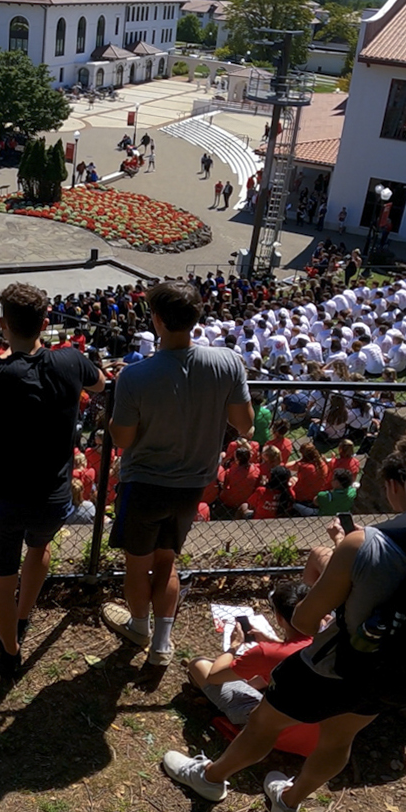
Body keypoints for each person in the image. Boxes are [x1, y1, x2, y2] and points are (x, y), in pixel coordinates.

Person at [162, 422, 406, 812]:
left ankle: (211, 779)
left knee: (262, 725)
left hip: (334, 666)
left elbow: (305, 620)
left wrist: (340, 561)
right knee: (340, 738)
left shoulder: (365, 545)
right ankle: (288, 801)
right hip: (398, 672)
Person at [0, 282, 105, 677]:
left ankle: (9, 650)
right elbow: (100, 383)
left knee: (2, 580)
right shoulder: (71, 360)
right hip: (52, 494)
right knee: (39, 550)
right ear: (44, 323)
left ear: (3, 324)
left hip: (4, 497)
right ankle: (23, 619)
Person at [103, 281, 253, 666]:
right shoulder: (229, 362)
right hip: (193, 484)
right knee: (167, 562)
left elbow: (122, 439)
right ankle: (163, 644)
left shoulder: (134, 377)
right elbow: (244, 423)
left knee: (137, 565)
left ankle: (140, 628)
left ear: (156, 320)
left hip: (145, 485)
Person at [186, 579, 319, 756]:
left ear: (279, 618)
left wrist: (233, 646)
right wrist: (276, 643)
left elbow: (214, 676)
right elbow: (296, 652)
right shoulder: (327, 638)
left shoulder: (266, 653)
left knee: (199, 665)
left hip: (277, 735)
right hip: (320, 737)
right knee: (255, 679)